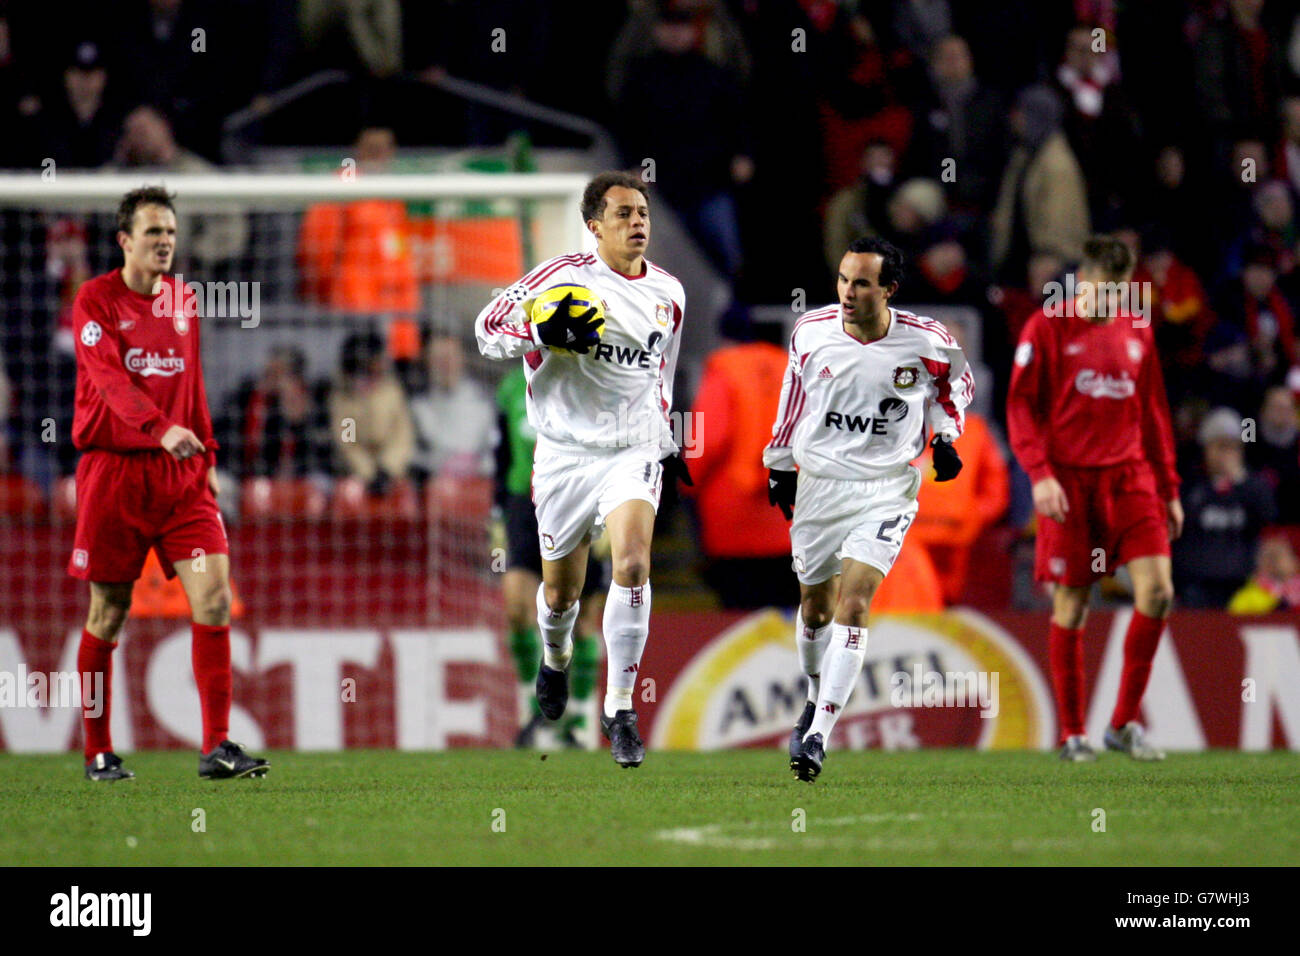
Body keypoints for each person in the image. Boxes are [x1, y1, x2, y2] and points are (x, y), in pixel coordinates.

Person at [474, 170, 690, 769]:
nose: (637, 223)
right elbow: (487, 328)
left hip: (632, 448)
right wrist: (542, 329)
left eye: (642, 212)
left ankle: (620, 707)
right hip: (565, 453)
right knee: (560, 592)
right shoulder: (562, 278)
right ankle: (555, 656)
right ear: (595, 226)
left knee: (632, 561)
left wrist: (668, 440)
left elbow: (660, 375)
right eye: (622, 214)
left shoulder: (670, 293)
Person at [68, 186, 267, 781]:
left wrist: (207, 449)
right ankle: (97, 751)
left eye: (171, 233)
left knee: (212, 597)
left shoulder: (184, 299)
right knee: (109, 611)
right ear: (125, 240)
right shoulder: (95, 301)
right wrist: (158, 429)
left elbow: (192, 385)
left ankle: (217, 747)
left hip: (183, 477)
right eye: (153, 232)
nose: (164, 243)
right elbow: (107, 381)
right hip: (115, 473)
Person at [764, 236, 974, 782]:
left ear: (889, 290)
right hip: (821, 485)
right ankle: (813, 697)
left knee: (852, 606)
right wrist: (780, 464)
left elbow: (956, 386)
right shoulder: (811, 332)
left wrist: (947, 436)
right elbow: (793, 399)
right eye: (842, 279)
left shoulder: (928, 341)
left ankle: (817, 737)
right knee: (814, 609)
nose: (847, 293)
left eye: (861, 283)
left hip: (885, 488)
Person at [1007, 235, 1183, 763]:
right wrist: (1039, 475)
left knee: (1158, 593)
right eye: (1105, 291)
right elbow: (1020, 409)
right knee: (1074, 603)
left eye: (1121, 291)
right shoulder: (1047, 328)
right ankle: (1073, 734)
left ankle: (1123, 725)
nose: (1113, 302)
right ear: (1084, 284)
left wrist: (1169, 488)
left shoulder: (1140, 331)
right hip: (1069, 482)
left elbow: (1153, 413)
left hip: (1130, 478)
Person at [494, 365, 605, 748]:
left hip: (580, 498)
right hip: (524, 503)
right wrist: (498, 511)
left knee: (583, 619)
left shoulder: (587, 372)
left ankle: (575, 722)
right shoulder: (511, 388)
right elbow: (502, 452)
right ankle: (535, 708)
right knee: (516, 609)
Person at [1173, 407, 1278, 608]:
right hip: (1196, 585)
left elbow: (1268, 518)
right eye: (1220, 446)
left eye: (1233, 447)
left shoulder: (1253, 486)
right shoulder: (1190, 485)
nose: (1227, 454)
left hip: (1242, 584)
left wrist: (1241, 482)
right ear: (1206, 448)